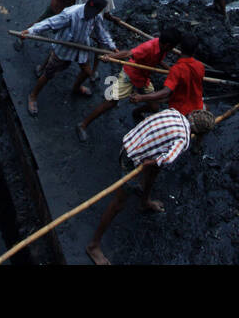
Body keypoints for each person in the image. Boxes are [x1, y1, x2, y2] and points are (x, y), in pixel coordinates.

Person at [85, 105, 215, 265]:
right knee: (118, 204)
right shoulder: (183, 139)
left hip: (130, 141)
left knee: (155, 170)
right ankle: (93, 246)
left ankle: (145, 201)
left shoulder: (174, 112)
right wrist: (150, 161)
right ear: (199, 133)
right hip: (131, 158)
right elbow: (168, 159)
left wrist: (153, 163)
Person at [76, 24, 180, 142]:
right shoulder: (149, 47)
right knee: (111, 103)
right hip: (130, 74)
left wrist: (170, 71)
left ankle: (136, 113)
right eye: (172, 47)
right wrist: (110, 56)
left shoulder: (162, 48)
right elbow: (128, 53)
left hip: (143, 77)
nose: (172, 50)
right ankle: (83, 125)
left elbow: (158, 60)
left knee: (154, 106)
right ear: (168, 45)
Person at [22, 0, 114, 116]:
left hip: (81, 46)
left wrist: (113, 47)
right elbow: (49, 23)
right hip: (65, 48)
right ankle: (32, 96)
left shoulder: (96, 16)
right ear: (87, 4)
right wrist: (31, 31)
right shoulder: (71, 13)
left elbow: (102, 33)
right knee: (49, 74)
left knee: (87, 72)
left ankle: (76, 88)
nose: (90, 14)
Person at [132, 30, 205, 118]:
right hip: (198, 107)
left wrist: (141, 97)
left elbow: (165, 92)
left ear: (180, 48)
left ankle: (137, 112)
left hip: (180, 110)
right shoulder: (200, 66)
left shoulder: (177, 69)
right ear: (195, 50)